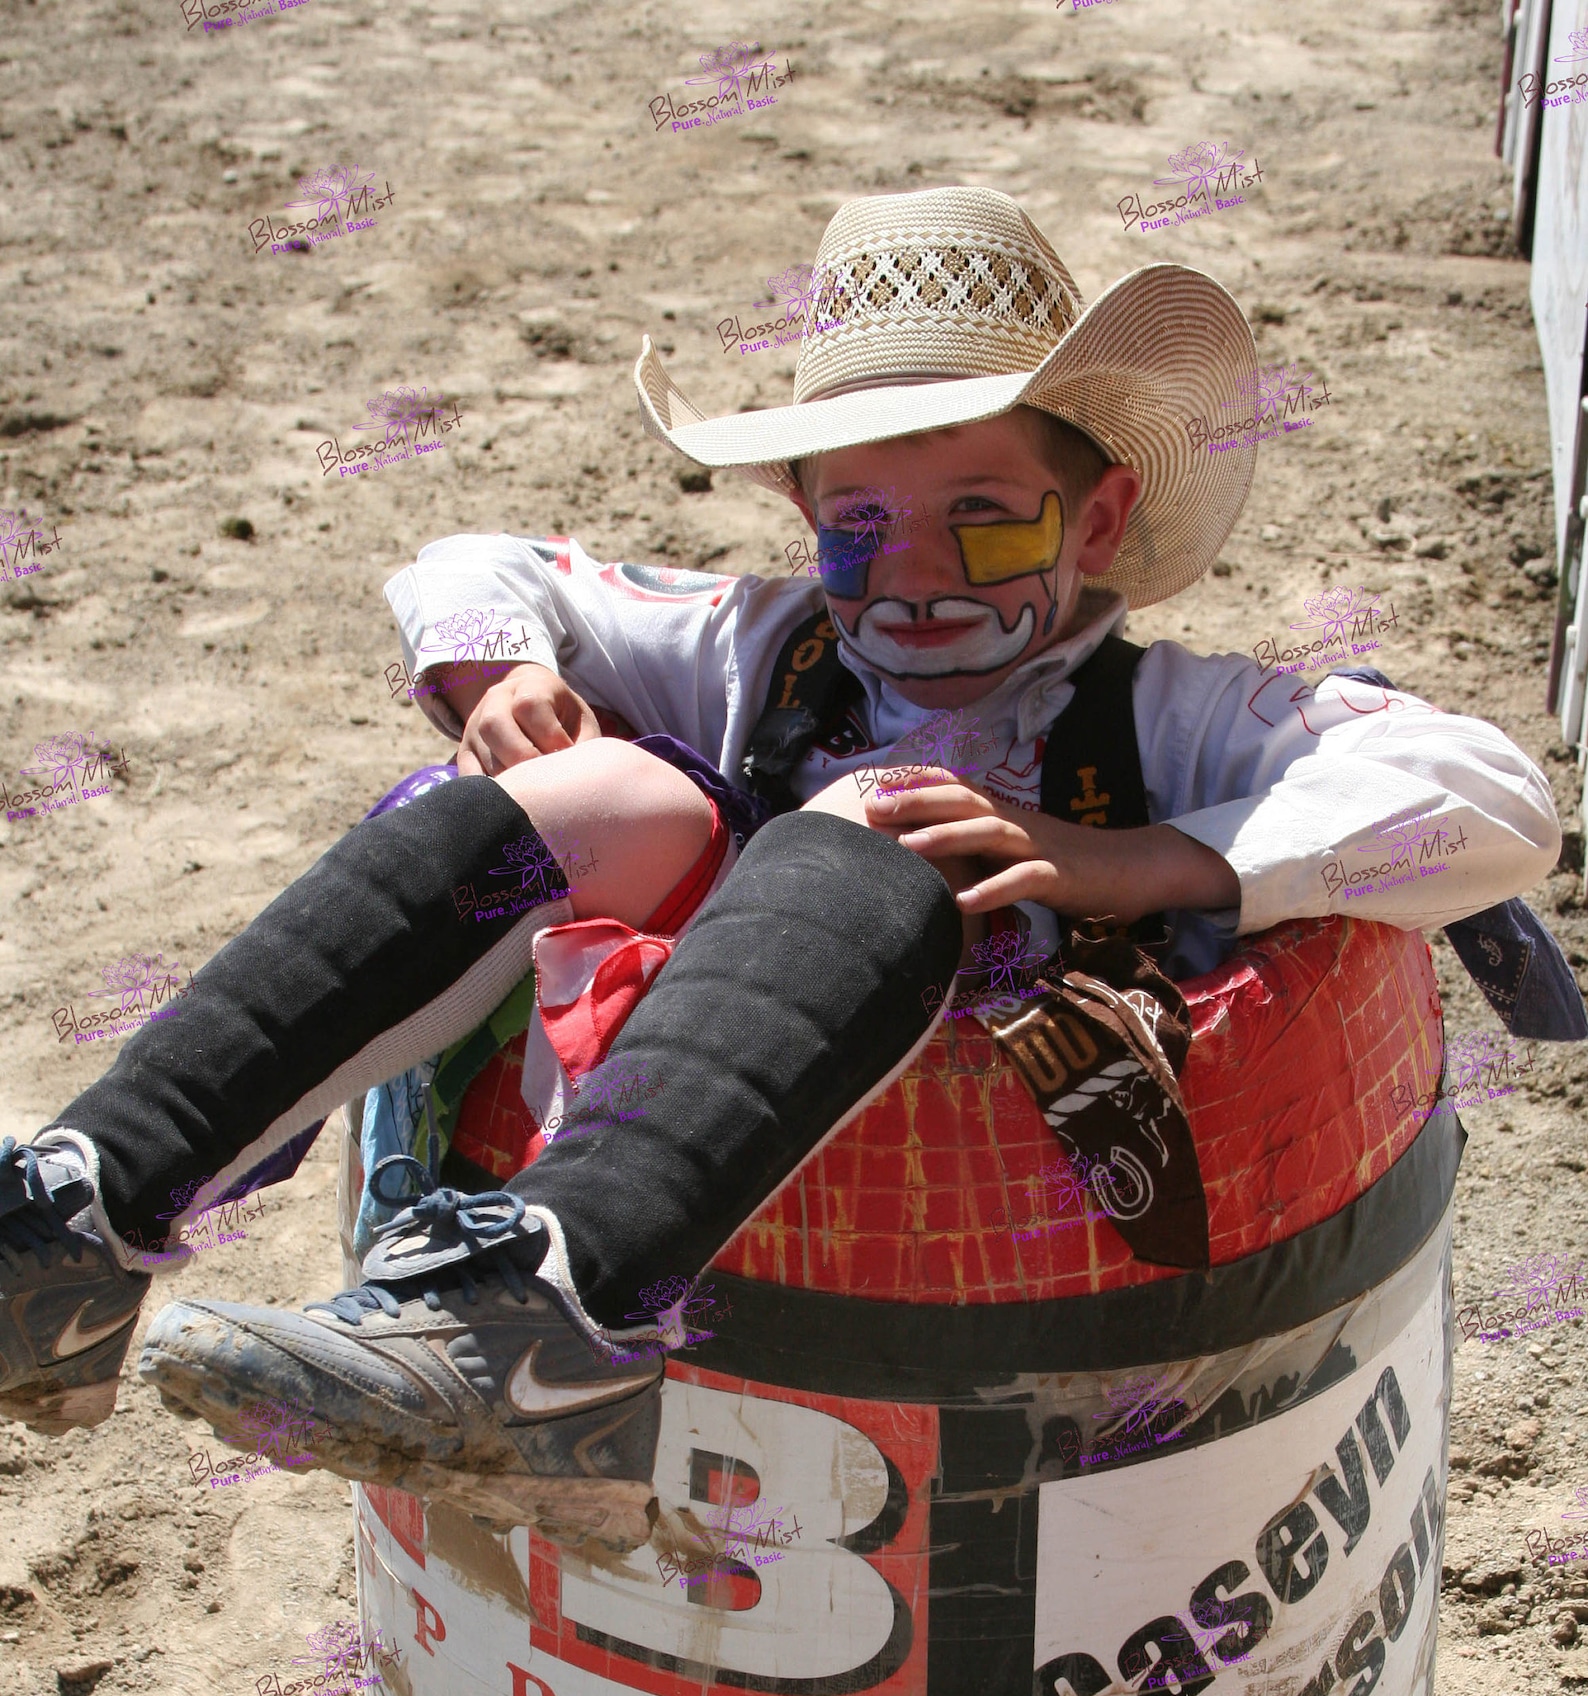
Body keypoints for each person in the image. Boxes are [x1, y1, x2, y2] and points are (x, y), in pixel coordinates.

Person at [0, 187, 1567, 1555]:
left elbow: (1489, 794)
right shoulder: (765, 646)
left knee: (886, 806)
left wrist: (1128, 856)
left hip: (963, 1188)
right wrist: (497, 676)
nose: (922, 578)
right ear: (806, 518)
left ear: (1098, 521)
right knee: (600, 786)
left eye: (990, 527)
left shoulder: (1170, 715)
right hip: (706, 1059)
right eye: (863, 527)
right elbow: (478, 564)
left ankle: (555, 1318)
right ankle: (87, 1212)